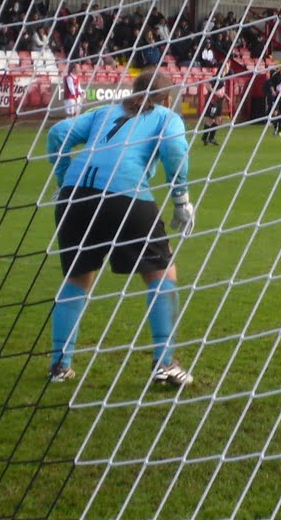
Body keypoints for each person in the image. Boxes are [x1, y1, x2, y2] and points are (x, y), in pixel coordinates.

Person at [42, 66, 196, 389]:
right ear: (166, 98)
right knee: (161, 273)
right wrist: (180, 199)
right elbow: (176, 148)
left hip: (74, 198)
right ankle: (165, 363)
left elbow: (57, 134)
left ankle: (59, 366)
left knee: (77, 278)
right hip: (125, 195)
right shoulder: (166, 117)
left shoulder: (104, 112)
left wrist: (64, 178)